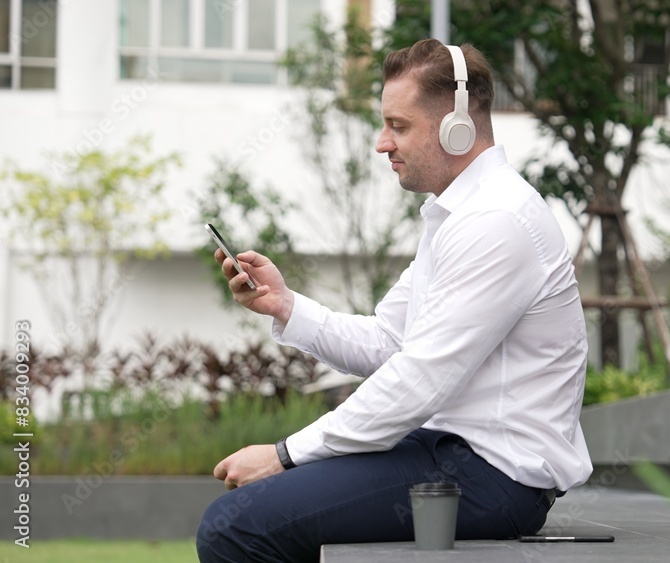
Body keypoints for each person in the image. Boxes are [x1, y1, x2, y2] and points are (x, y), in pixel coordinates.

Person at [196, 38, 592, 562]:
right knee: (244, 518)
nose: (383, 143)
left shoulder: (495, 223)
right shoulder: (458, 215)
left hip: (491, 477)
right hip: (443, 452)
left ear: (458, 126)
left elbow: (419, 380)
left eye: (398, 126)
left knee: (233, 528)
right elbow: (390, 342)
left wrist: (284, 455)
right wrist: (286, 306)